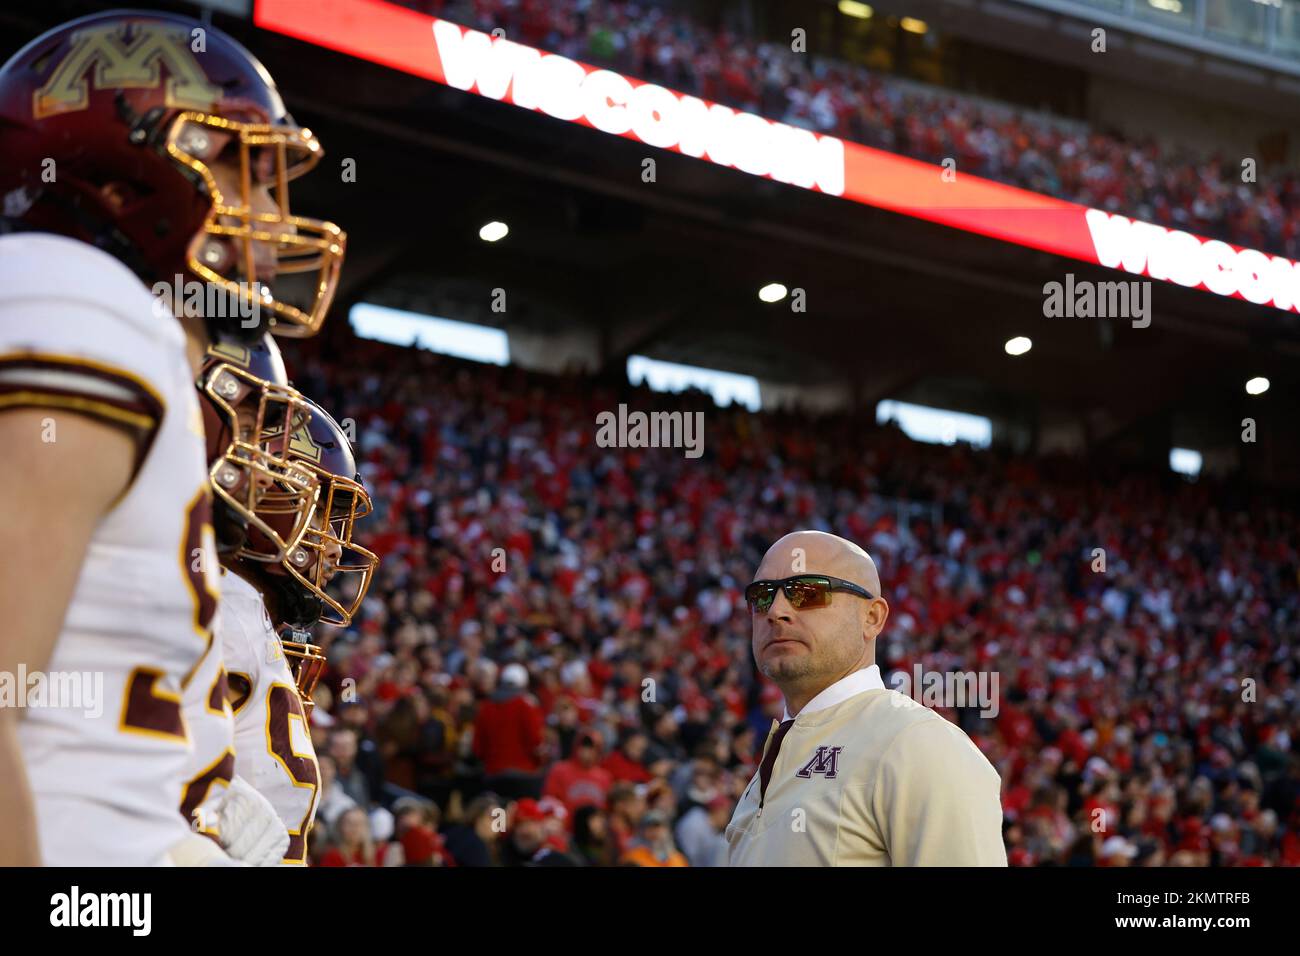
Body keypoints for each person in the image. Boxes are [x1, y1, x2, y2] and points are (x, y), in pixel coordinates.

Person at [0, 9, 342, 866]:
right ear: (127, 168)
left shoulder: (96, 310)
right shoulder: (76, 295)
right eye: (247, 175)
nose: (271, 216)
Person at [724, 530, 1007, 866]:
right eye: (762, 595)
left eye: (808, 592)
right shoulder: (775, 753)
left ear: (871, 617)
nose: (776, 610)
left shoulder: (917, 741)